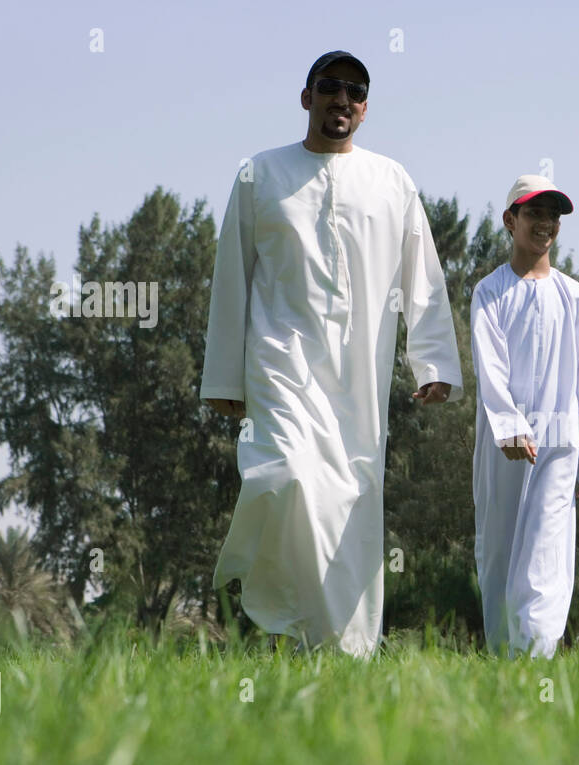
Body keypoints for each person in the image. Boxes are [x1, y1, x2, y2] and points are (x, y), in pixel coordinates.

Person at [200, 50, 464, 657]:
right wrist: (223, 377)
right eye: (330, 87)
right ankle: (297, 624)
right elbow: (231, 278)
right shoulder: (259, 174)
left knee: (351, 502)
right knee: (289, 476)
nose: (341, 99)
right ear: (306, 97)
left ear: (365, 109)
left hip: (359, 374)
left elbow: (421, 275)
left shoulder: (391, 180)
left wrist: (433, 364)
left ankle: (342, 651)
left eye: (354, 91)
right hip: (280, 359)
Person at [470, 175, 579, 659]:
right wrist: (507, 426)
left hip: (560, 442)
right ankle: (503, 656)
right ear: (511, 220)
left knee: (547, 552)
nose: (545, 224)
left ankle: (535, 657)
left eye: (553, 216)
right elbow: (490, 367)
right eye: (534, 213)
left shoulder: (577, 297)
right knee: (501, 553)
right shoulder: (489, 291)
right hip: (503, 443)